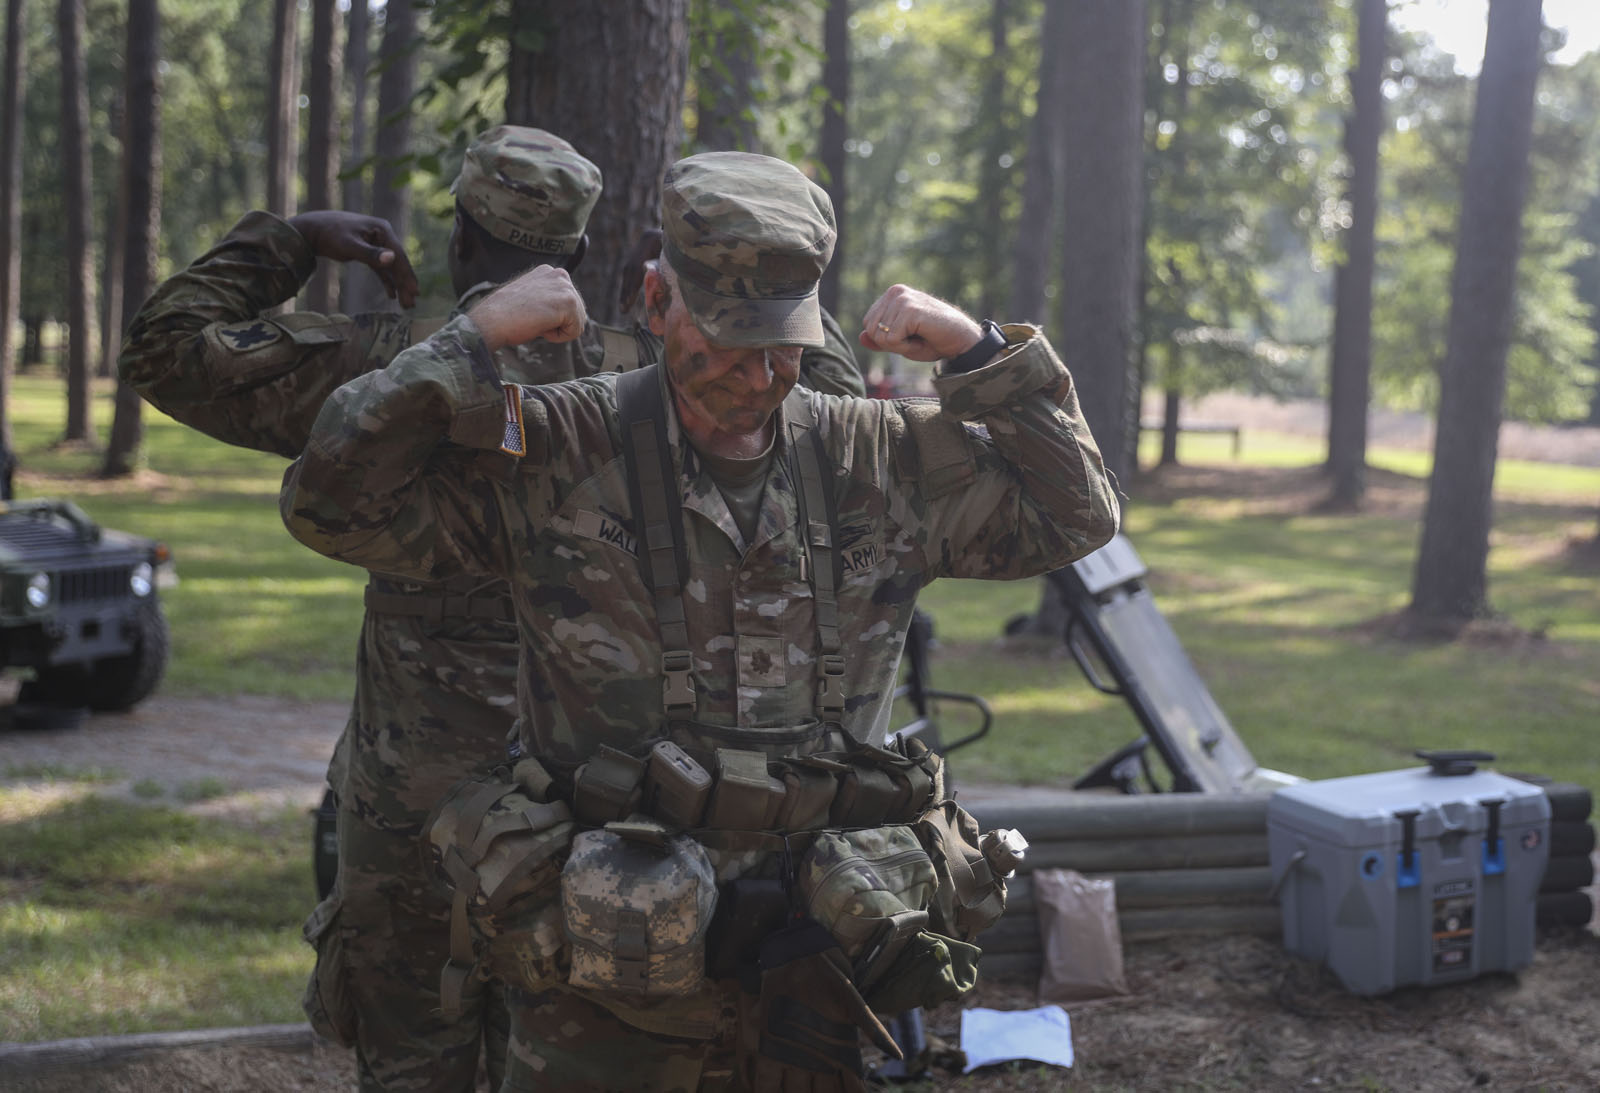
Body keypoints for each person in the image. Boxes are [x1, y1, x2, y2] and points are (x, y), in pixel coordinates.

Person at [279, 150, 1119, 1091]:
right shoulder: (558, 444)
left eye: (777, 348)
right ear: (655, 301)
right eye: (715, 344)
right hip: (603, 989)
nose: (748, 383)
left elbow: (1074, 513)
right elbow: (330, 505)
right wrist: (463, 344)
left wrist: (976, 353)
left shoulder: (880, 456)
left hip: (815, 962)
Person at [119, 126, 639, 1093]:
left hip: (415, 804)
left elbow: (165, 347)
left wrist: (293, 238)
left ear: (458, 241)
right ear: (575, 253)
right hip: (594, 795)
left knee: (413, 1058)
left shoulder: (374, 363)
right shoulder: (646, 381)